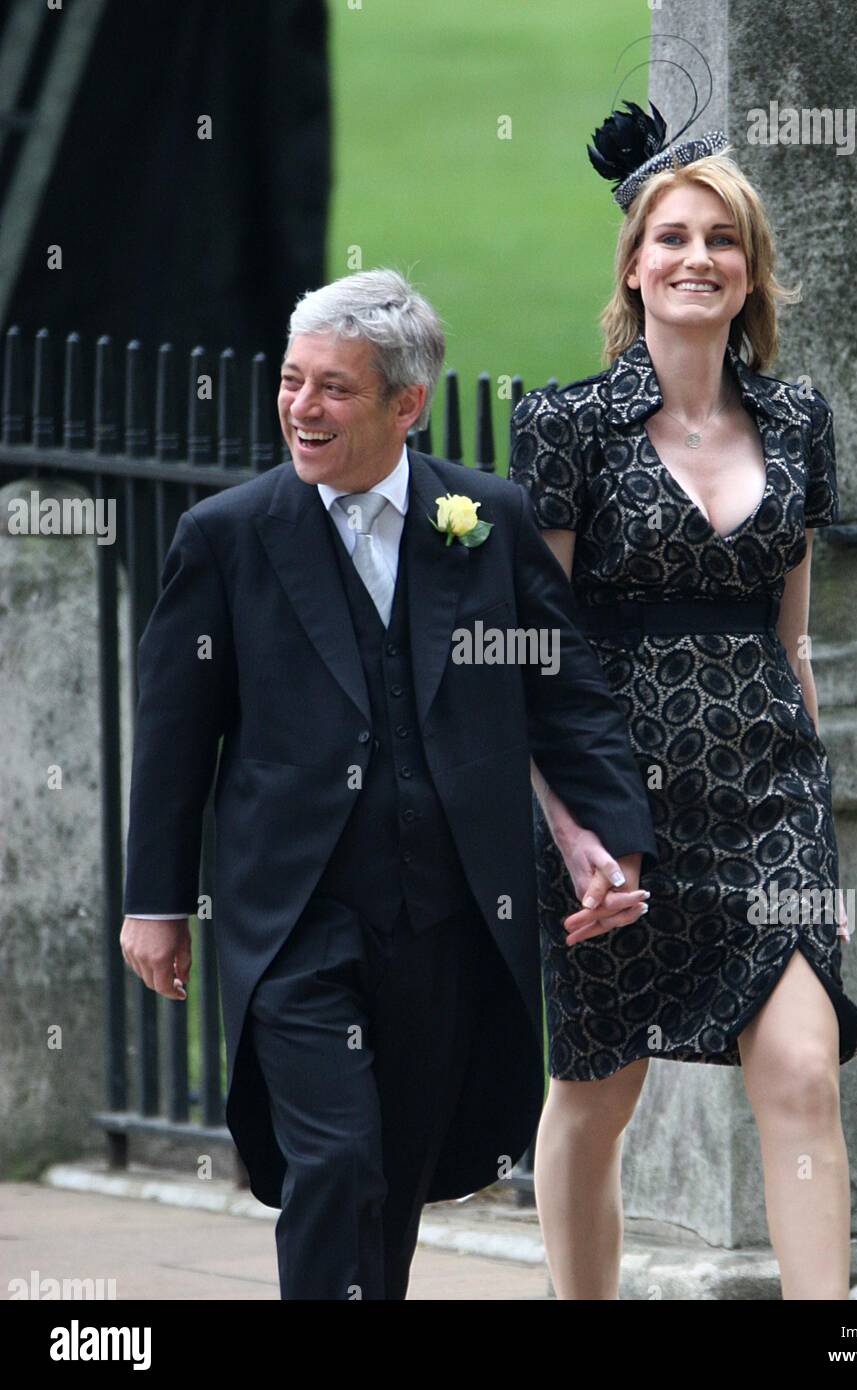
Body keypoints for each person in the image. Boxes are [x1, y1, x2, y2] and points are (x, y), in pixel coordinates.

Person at [119, 267, 658, 1300]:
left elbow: (565, 695)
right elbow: (175, 732)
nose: (301, 408)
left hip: (445, 914)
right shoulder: (228, 537)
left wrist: (611, 837)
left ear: (406, 404)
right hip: (295, 915)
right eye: (291, 381)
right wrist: (155, 900)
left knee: (397, 1169)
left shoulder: (485, 521)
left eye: (333, 389)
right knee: (334, 1159)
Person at [508, 99, 857, 1301]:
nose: (695, 259)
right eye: (671, 237)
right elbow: (534, 651)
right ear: (632, 262)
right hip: (615, 797)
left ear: (749, 269)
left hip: (767, 783)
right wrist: (566, 830)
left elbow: (794, 633)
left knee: (802, 1074)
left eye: (720, 240)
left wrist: (812, 785)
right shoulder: (567, 426)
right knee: (596, 1086)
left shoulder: (798, 419)